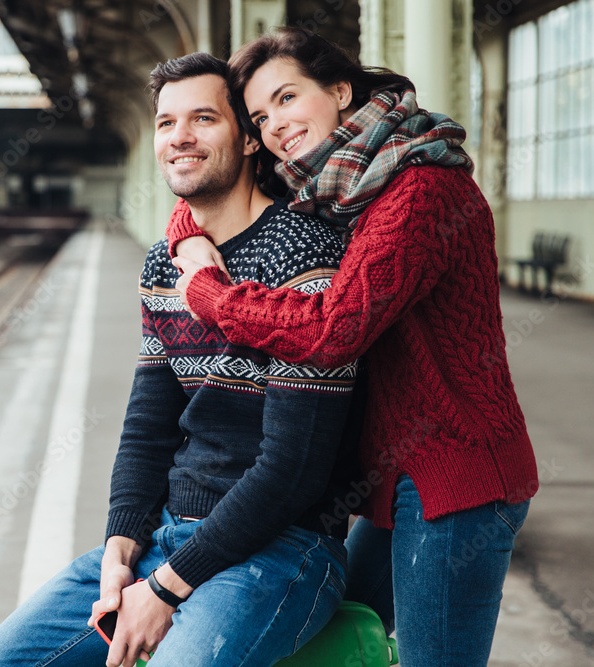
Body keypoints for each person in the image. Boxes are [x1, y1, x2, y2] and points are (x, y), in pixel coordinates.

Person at [0, 52, 367, 667]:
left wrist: (165, 588)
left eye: (203, 118)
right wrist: (119, 552)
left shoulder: (306, 254)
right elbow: (148, 428)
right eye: (164, 122)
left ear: (250, 138)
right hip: (165, 540)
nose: (179, 137)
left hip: (282, 551)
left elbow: (294, 471)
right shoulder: (165, 263)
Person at [168, 27, 539, 667]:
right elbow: (208, 192)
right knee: (345, 637)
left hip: (458, 472)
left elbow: (331, 331)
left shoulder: (419, 187)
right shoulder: (331, 184)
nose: (277, 125)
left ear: (340, 90)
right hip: (400, 471)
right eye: (260, 115)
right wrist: (183, 234)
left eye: (287, 98)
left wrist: (210, 292)